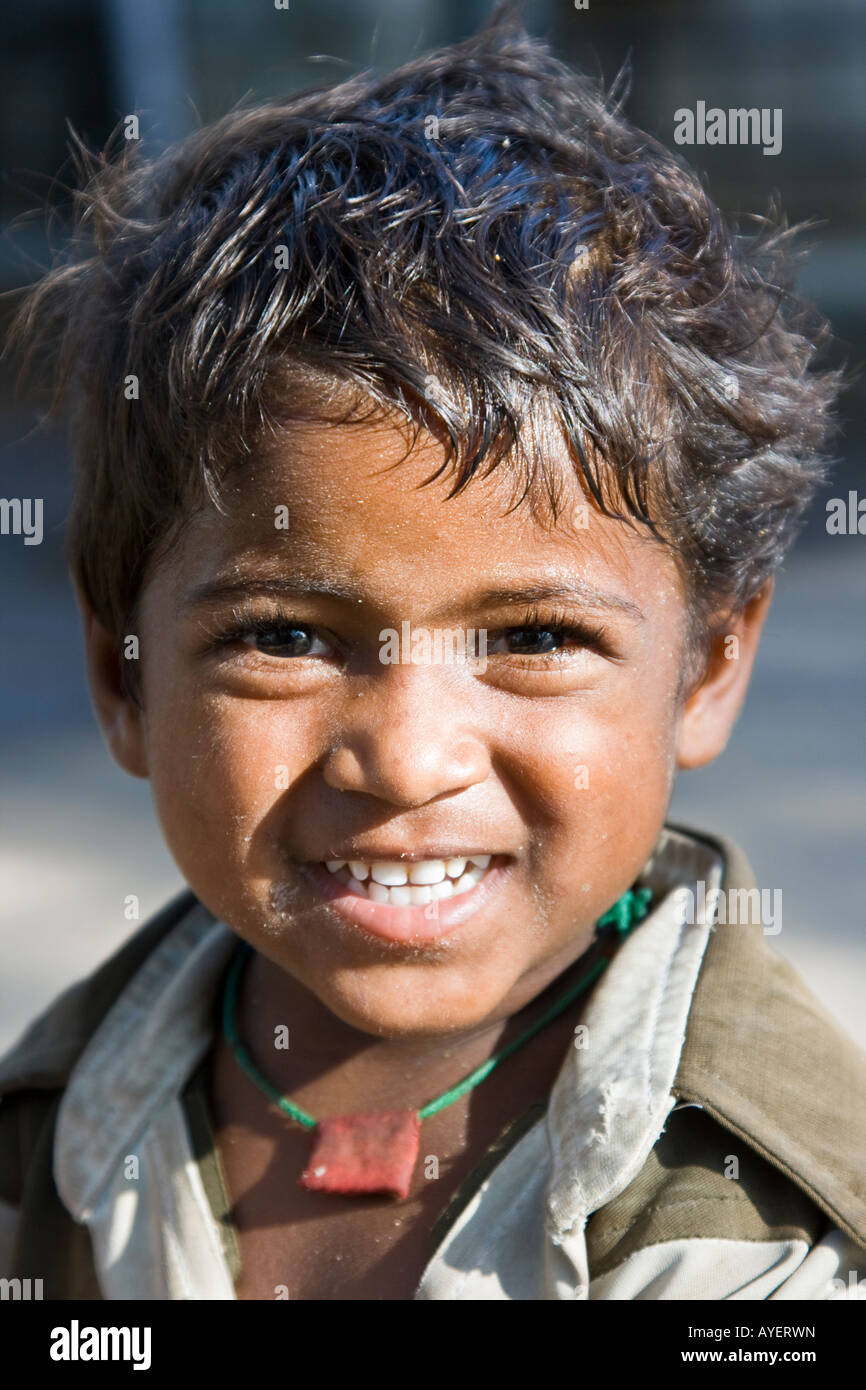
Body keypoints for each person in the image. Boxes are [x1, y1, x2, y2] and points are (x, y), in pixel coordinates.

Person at [1, 3, 863, 1300]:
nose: (407, 758)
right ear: (125, 674)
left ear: (706, 666)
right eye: (284, 636)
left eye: (532, 636)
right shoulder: (50, 1137)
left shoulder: (769, 1240)